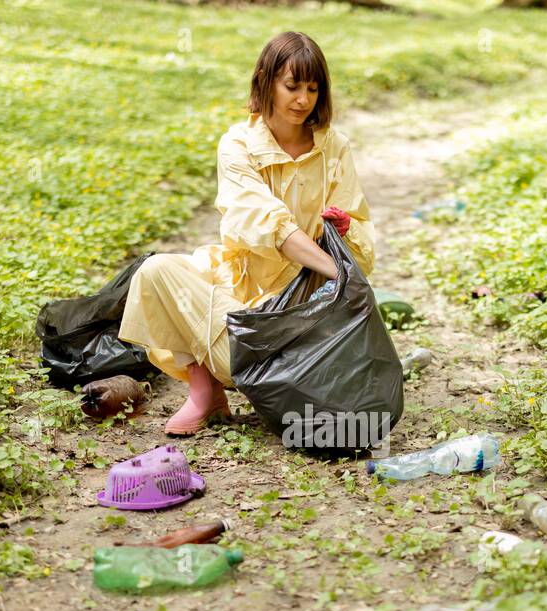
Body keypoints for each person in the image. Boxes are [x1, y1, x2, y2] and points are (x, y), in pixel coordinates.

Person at [119, 31, 376, 436]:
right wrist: (335, 268)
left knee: (281, 357)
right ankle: (205, 393)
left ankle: (252, 376)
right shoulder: (238, 144)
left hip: (303, 302)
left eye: (313, 88)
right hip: (242, 287)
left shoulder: (334, 147)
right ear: (265, 80)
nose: (303, 100)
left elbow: (359, 239)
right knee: (155, 272)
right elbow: (265, 220)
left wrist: (346, 236)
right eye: (292, 86)